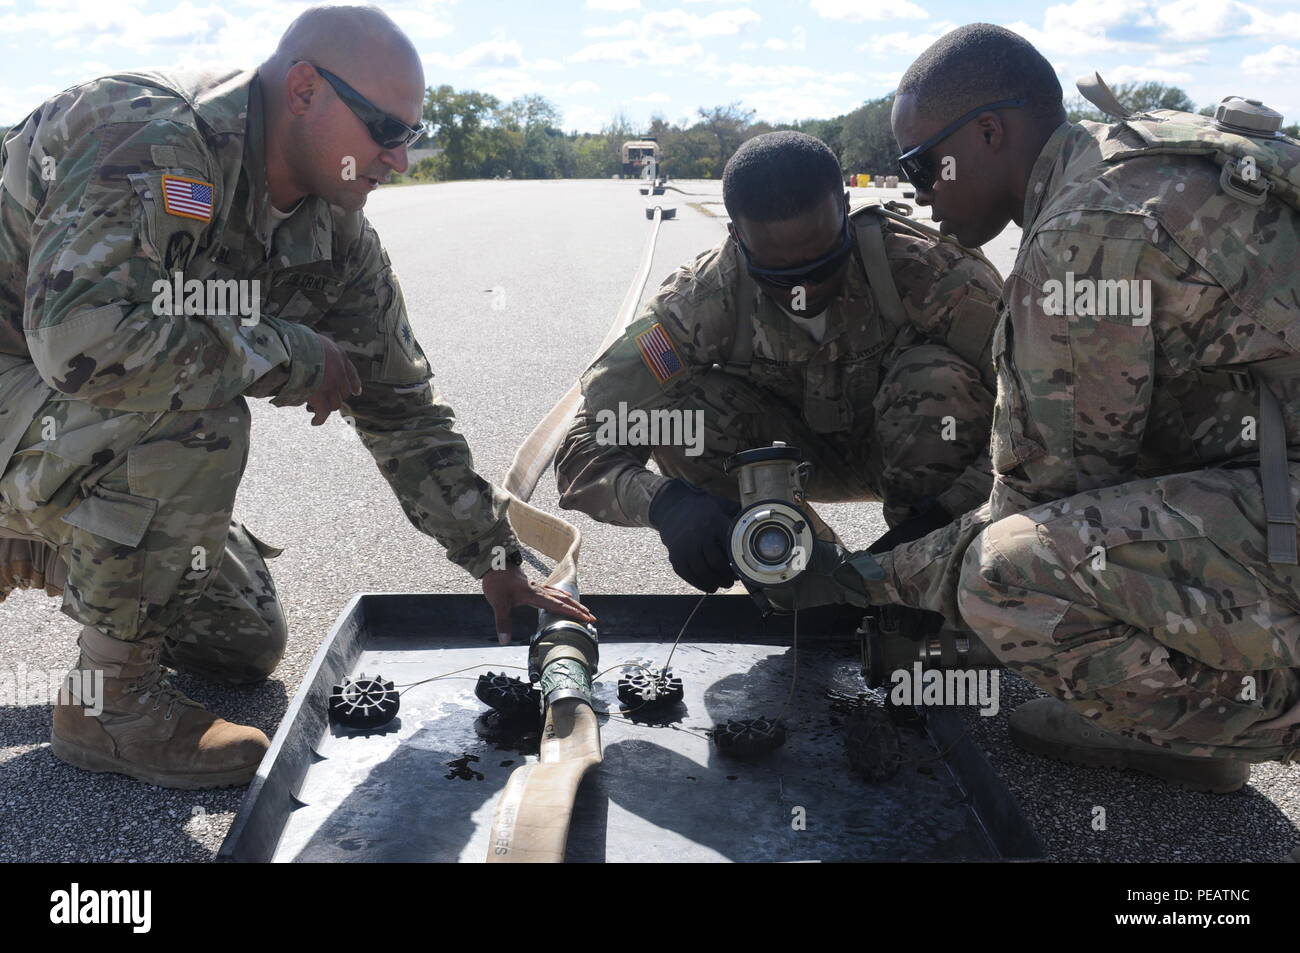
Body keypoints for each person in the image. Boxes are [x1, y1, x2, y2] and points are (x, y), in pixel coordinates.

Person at [0, 4, 591, 790]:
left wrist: (492, 555)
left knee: (245, 639)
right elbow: (82, 344)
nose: (400, 159)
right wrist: (284, 351)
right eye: (385, 129)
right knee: (198, 421)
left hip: (65, 415)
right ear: (305, 89)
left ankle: (39, 538)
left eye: (411, 134)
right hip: (27, 373)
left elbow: (401, 406)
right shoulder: (146, 133)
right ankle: (106, 705)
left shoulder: (335, 231)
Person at [792, 22, 1300, 792]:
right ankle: (1195, 721)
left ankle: (1248, 712)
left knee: (1009, 579)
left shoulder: (1084, 235)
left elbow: (1038, 503)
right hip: (1268, 460)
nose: (919, 192)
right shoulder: (1136, 160)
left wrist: (859, 578)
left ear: (990, 132)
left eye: (922, 165)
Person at [556, 131, 1003, 596]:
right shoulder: (704, 299)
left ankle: (926, 581)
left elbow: (1039, 419)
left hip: (916, 453)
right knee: (685, 420)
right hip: (783, 457)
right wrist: (665, 504)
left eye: (823, 263)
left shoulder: (932, 274)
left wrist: (949, 515)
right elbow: (589, 439)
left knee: (937, 382)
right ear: (737, 236)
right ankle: (800, 575)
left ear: (845, 208)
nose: (804, 290)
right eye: (781, 274)